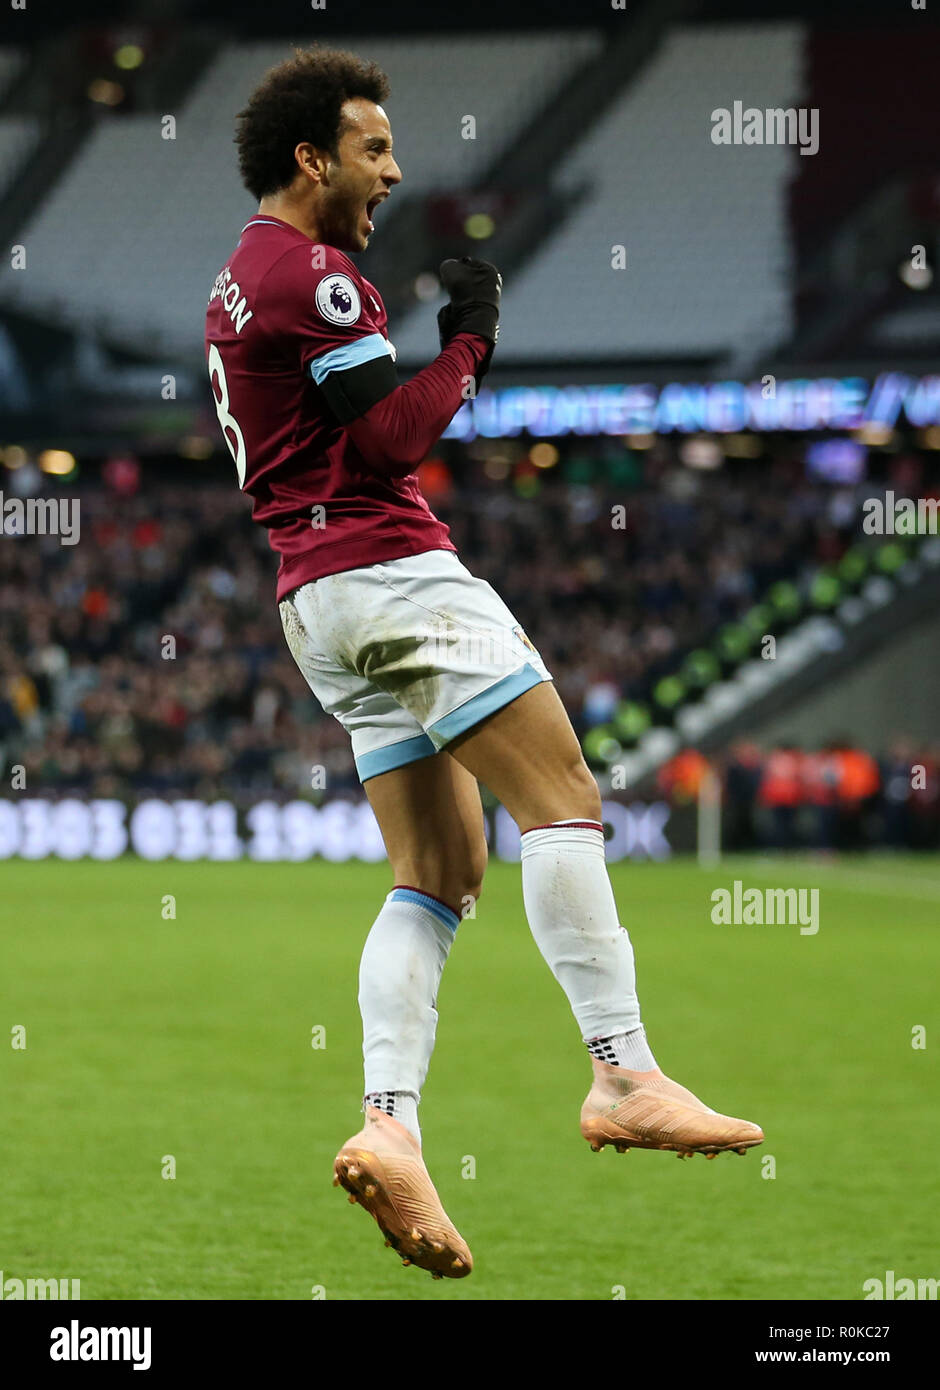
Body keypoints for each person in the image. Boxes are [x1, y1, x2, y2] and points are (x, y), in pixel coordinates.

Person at [205, 44, 762, 1282]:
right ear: (312, 158)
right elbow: (394, 439)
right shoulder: (316, 275)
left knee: (441, 874)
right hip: (396, 576)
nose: (394, 170)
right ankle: (621, 1070)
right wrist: (469, 342)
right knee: (563, 799)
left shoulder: (235, 281)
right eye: (373, 149)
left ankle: (390, 1122)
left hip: (313, 602)